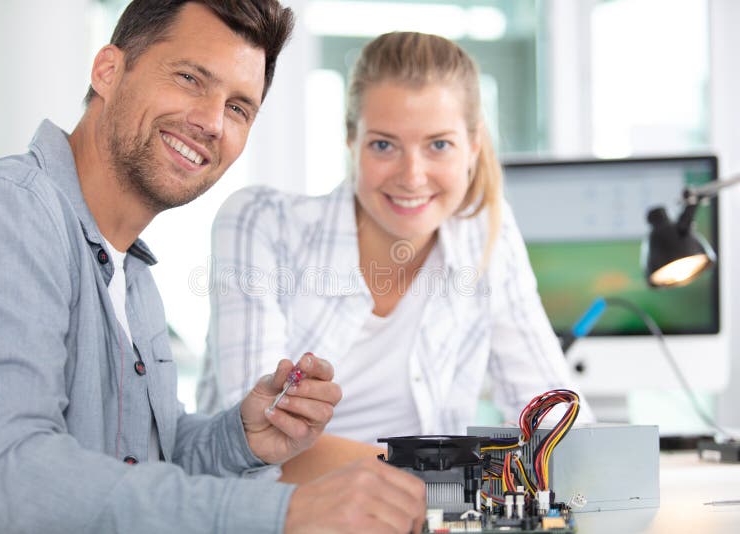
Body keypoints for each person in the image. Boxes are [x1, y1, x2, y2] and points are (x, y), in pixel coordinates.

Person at [0, 2, 426, 533]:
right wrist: (284, 512)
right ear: (107, 70)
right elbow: (6, 477)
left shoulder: (134, 275)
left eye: (239, 108)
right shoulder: (4, 212)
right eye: (191, 78)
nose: (212, 122)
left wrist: (240, 439)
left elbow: (139, 467)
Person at [197, 31, 595, 478]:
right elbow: (254, 444)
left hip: (426, 517)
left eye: (438, 145)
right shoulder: (261, 223)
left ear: (474, 146)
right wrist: (457, 470)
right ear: (352, 140)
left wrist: (481, 469)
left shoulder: (485, 233)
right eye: (384, 145)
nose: (412, 176)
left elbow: (557, 420)